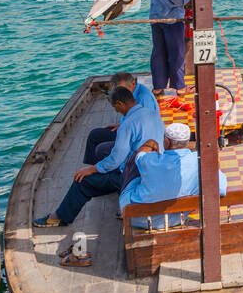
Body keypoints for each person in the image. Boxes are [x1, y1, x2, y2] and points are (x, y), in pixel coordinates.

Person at [35, 86, 165, 227]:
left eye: (115, 107)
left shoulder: (128, 124)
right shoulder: (153, 114)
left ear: (120, 103)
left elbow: (116, 158)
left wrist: (92, 169)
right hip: (155, 169)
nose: (116, 111)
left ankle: (59, 218)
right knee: (105, 160)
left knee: (82, 181)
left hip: (135, 176)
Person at [119, 121, 228, 229]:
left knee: (134, 161)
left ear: (166, 142)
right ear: (187, 142)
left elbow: (139, 154)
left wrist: (150, 143)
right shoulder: (199, 161)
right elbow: (221, 189)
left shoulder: (149, 159)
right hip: (176, 219)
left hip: (137, 218)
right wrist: (215, 162)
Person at [83, 70, 163, 166]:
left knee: (101, 149)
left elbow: (146, 130)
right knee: (94, 135)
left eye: (122, 89)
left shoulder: (144, 99)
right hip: (130, 130)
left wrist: (124, 130)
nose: (120, 93)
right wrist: (120, 125)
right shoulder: (132, 94)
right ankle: (93, 167)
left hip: (139, 140)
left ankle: (102, 169)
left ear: (133, 83)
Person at [150, 0, 189, 96]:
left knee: (159, 53)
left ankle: (158, 87)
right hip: (171, 18)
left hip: (156, 16)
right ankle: (180, 87)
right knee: (176, 54)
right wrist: (189, 1)